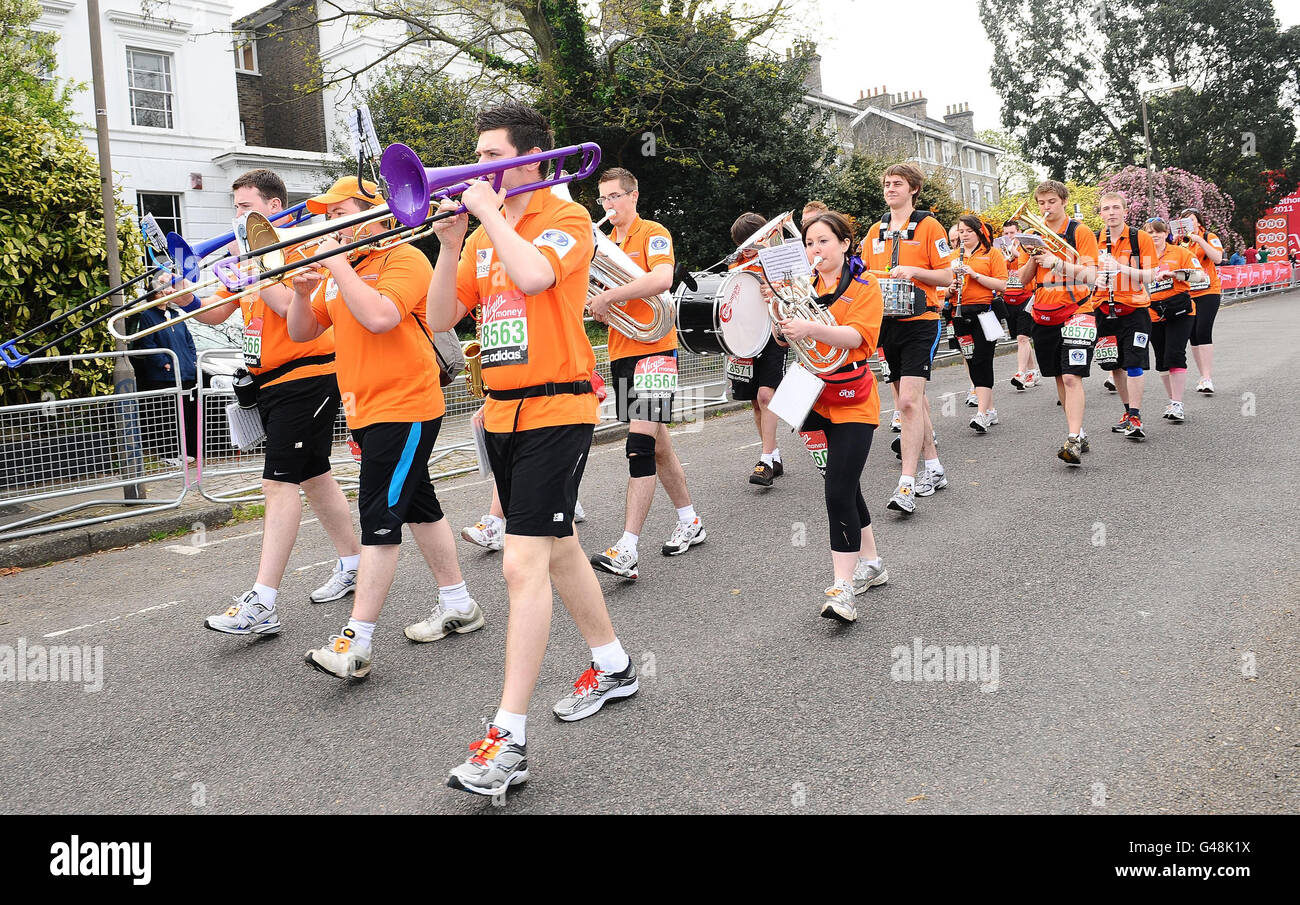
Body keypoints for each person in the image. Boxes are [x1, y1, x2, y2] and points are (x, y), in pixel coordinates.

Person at [427, 101, 637, 797]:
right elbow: (439, 320)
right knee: (559, 546)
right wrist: (453, 244)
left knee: (522, 565)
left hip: (558, 406)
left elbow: (538, 279)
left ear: (534, 159)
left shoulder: (567, 218)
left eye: (491, 156)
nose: (477, 169)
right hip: (502, 413)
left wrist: (489, 215)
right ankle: (613, 663)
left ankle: (507, 739)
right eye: (477, 156)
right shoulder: (488, 231)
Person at [284, 175, 481, 677]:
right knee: (418, 503)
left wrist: (332, 265)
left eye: (338, 211)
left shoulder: (403, 259)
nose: (329, 222)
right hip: (365, 410)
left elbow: (379, 317)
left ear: (374, 214)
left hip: (406, 405)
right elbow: (303, 333)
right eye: (325, 214)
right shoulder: (341, 270)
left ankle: (357, 642)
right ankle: (458, 603)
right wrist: (306, 292)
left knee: (379, 516)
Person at [192, 169, 363, 640]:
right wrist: (181, 295)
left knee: (278, 482)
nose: (238, 215)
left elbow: (294, 308)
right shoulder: (251, 253)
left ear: (273, 205)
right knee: (313, 474)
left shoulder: (302, 243)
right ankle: (354, 562)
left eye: (247, 206)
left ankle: (263, 599)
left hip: (306, 377)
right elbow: (219, 310)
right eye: (236, 205)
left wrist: (255, 269)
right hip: (267, 380)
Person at [586, 167, 705, 580]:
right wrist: (598, 306)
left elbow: (662, 278)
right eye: (603, 199)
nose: (610, 206)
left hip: (656, 351)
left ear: (634, 195)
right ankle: (690, 520)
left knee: (638, 446)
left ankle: (627, 548)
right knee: (658, 447)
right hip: (622, 351)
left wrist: (610, 296)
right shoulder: (600, 244)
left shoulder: (653, 232)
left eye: (617, 196)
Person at [786, 210, 887, 621]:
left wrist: (810, 328)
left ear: (845, 244)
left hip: (853, 397)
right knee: (843, 484)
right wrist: (782, 326)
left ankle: (842, 588)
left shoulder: (866, 286)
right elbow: (786, 339)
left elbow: (857, 338)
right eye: (810, 243)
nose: (816, 250)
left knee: (837, 490)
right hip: (809, 396)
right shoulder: (801, 287)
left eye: (824, 241)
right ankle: (873, 564)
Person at [858, 163, 953, 514]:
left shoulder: (930, 226)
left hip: (921, 321)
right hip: (886, 325)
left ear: (913, 189)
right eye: (886, 184)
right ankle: (935, 466)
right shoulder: (874, 229)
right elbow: (863, 273)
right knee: (911, 402)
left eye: (897, 183)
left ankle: (906, 484)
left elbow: (947, 276)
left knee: (909, 403)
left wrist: (914, 271)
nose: (890, 188)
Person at [1017, 180, 1099, 465]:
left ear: (1063, 201)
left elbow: (1092, 275)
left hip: (1079, 309)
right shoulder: (1031, 234)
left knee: (1070, 375)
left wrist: (1057, 263)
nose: (1045, 208)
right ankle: (1077, 430)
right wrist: (1032, 258)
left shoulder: (1080, 231)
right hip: (1044, 312)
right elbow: (1022, 281)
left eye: (1051, 201)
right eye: (1040, 203)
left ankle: (1073, 439)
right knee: (1058, 377)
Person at [726, 211, 788, 486]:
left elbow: (793, 294)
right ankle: (773, 455)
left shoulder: (778, 260)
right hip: (745, 339)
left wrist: (772, 291)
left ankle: (764, 459)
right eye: (741, 244)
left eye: (749, 242)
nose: (746, 248)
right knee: (754, 400)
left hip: (774, 333)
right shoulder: (735, 266)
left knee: (766, 396)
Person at [1094, 193, 1159, 442]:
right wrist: (1096, 278)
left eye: (1116, 208)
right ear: (1100, 213)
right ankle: (1126, 411)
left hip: (1134, 310)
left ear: (1125, 211)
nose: (1111, 212)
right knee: (1114, 364)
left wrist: (1120, 268)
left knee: (1134, 362)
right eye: (1106, 208)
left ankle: (1135, 415)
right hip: (1103, 309)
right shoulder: (1094, 239)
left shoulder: (1139, 238)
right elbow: (1085, 272)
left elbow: (1151, 275)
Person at [943, 215, 1008, 432]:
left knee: (982, 359)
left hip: (985, 312)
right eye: (961, 232)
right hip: (959, 312)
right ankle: (989, 409)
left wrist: (975, 274)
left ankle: (981, 413)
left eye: (969, 231)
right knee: (970, 360)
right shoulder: (953, 256)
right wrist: (950, 288)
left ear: (979, 232)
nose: (964, 235)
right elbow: (940, 290)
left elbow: (1002, 285)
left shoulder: (992, 254)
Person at [128, 273, 200, 466]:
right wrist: (164, 363)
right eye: (160, 293)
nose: (165, 296)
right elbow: (148, 344)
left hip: (184, 372)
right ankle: (168, 453)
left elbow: (188, 341)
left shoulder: (176, 315)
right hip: (164, 376)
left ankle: (185, 451)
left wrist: (191, 360)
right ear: (153, 296)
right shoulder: (147, 316)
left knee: (184, 415)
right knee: (166, 415)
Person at [1144, 219, 1204, 423]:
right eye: (1150, 232)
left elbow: (1200, 276)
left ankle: (1178, 404)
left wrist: (1174, 274)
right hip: (1153, 313)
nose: (1154, 235)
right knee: (1161, 359)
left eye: (1158, 232)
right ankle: (1172, 400)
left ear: (1165, 233)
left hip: (1180, 311)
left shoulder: (1181, 253)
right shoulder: (1140, 258)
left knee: (1175, 353)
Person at [1177, 208, 1225, 395]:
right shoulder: (1179, 241)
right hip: (1188, 292)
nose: (1189, 224)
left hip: (1208, 291)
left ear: (1198, 222)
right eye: (1184, 221)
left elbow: (1218, 258)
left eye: (1191, 220)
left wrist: (1199, 240)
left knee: (1203, 331)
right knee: (1193, 335)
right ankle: (1202, 376)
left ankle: (1207, 377)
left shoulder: (1209, 236)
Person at [999, 220, 1041, 390]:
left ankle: (1020, 373)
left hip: (1026, 296)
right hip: (1009, 298)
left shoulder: (1025, 247)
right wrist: (1005, 259)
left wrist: (1016, 254)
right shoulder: (1000, 250)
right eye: (1006, 233)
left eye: (1012, 233)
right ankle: (1032, 370)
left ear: (1018, 232)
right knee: (1021, 338)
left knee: (1023, 338)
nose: (1009, 236)